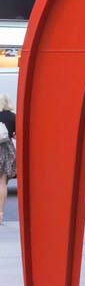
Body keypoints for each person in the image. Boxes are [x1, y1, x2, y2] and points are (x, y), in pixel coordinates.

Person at [0, 93, 16, 226]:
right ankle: (0, 215)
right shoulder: (12, 116)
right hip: (6, 150)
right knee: (2, 183)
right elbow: (16, 135)